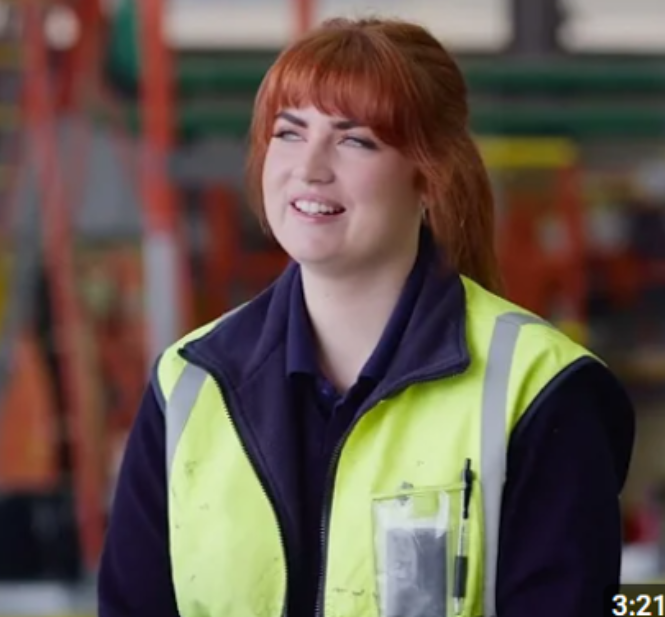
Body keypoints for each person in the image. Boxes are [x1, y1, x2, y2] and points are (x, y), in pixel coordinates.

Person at [98, 16, 636, 617]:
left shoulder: (540, 391)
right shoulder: (189, 385)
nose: (309, 167)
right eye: (290, 132)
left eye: (355, 140)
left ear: (430, 177)